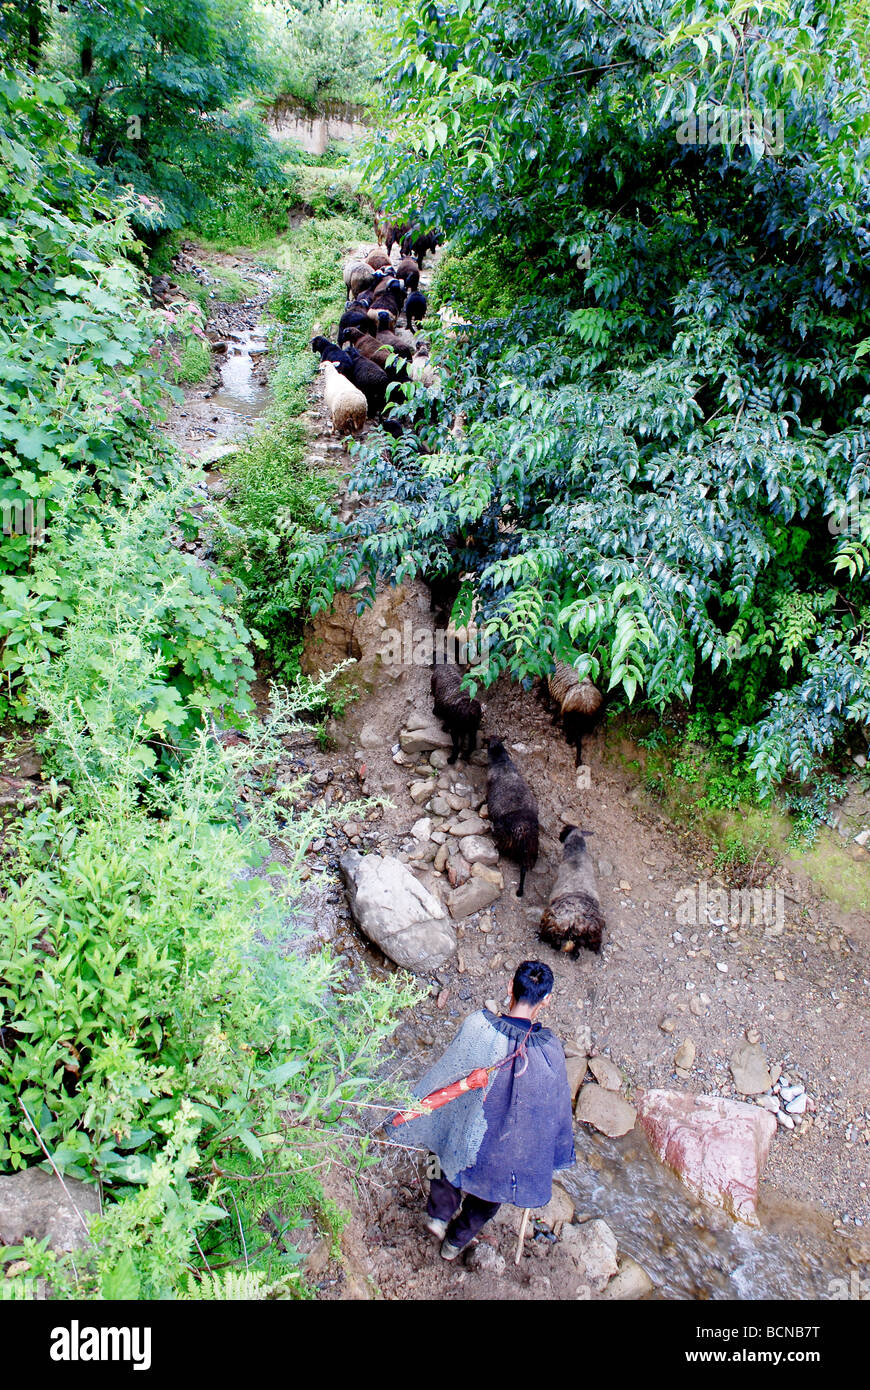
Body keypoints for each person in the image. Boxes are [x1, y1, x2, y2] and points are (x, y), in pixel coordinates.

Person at [390, 959, 575, 1260]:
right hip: (503, 1154)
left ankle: (439, 1212)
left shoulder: (479, 1026)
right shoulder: (549, 1050)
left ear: (509, 988)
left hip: (466, 1134)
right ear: (546, 1000)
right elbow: (553, 1112)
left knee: (436, 1155)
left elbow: (449, 1073)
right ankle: (456, 1241)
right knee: (491, 1197)